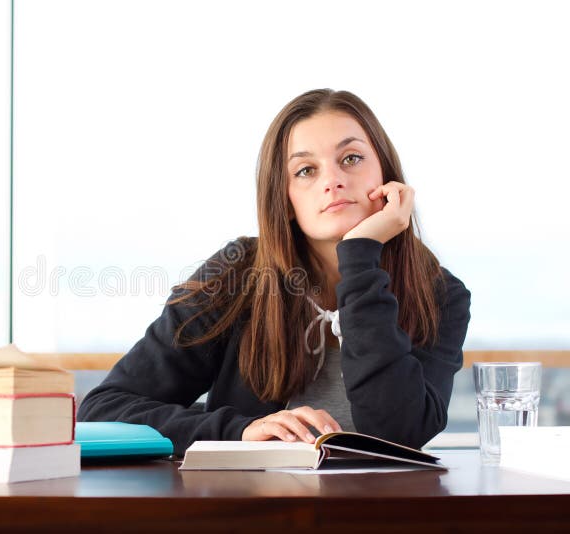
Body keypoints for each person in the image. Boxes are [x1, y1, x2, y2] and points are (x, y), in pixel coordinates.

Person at [77, 88, 471, 455]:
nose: (333, 181)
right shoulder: (236, 275)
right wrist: (242, 432)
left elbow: (397, 436)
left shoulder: (440, 294)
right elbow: (104, 409)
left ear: (385, 173)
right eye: (305, 171)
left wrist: (360, 255)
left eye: (351, 159)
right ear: (284, 200)